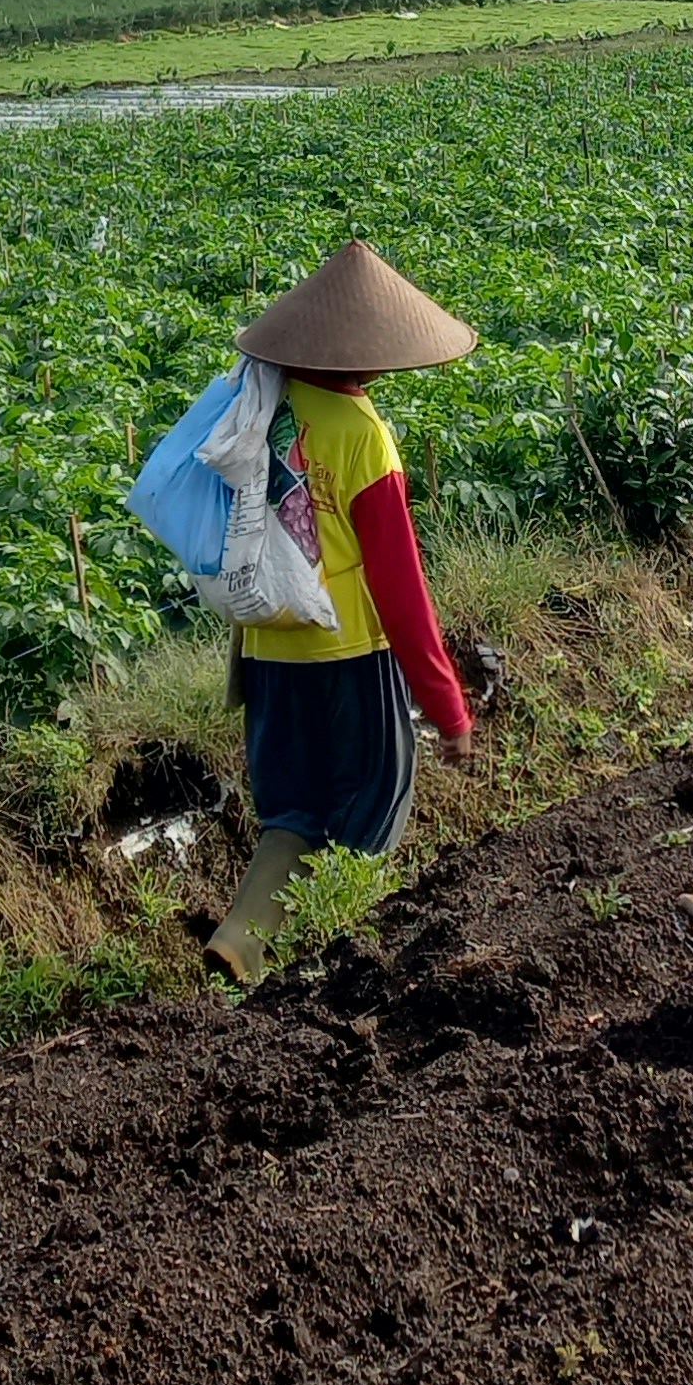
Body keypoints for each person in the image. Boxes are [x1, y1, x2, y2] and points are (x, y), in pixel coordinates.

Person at [204, 238, 479, 983]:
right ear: (370, 356)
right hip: (349, 660)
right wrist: (446, 707)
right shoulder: (363, 438)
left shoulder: (258, 410)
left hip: (265, 656)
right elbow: (401, 590)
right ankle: (340, 973)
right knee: (371, 813)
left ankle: (241, 942)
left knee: (290, 815)